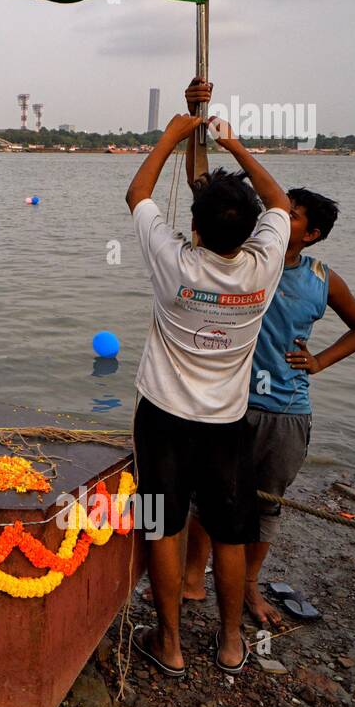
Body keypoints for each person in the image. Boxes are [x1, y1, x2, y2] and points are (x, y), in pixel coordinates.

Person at [124, 94, 291, 677]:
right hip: (226, 425)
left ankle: (168, 645)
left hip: (164, 419)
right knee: (230, 531)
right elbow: (279, 202)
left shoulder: (176, 262)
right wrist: (231, 141)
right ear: (250, 231)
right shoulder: (264, 262)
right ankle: (229, 644)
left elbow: (137, 196)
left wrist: (171, 134)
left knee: (161, 526)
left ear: (192, 226)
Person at [182, 185, 355, 626]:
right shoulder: (246, 260)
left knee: (266, 505)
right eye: (279, 209)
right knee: (207, 498)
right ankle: (193, 578)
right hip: (229, 403)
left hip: (287, 411)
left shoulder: (321, 278)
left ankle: (249, 588)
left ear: (312, 234)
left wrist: (320, 361)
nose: (278, 216)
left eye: (291, 215)